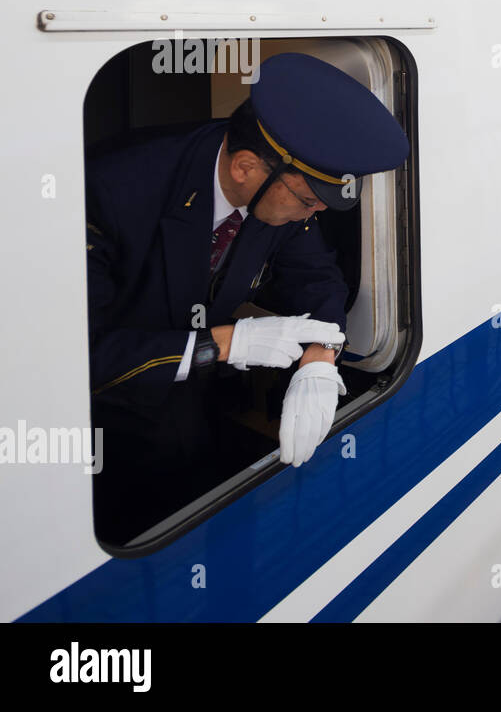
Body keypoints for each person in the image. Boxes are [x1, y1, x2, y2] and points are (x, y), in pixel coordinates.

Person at [86, 52, 409, 543]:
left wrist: (320, 360)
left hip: (189, 411)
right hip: (101, 435)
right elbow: (79, 358)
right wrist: (223, 344)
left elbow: (317, 276)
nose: (315, 212)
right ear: (245, 168)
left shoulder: (276, 187)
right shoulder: (110, 192)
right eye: (308, 200)